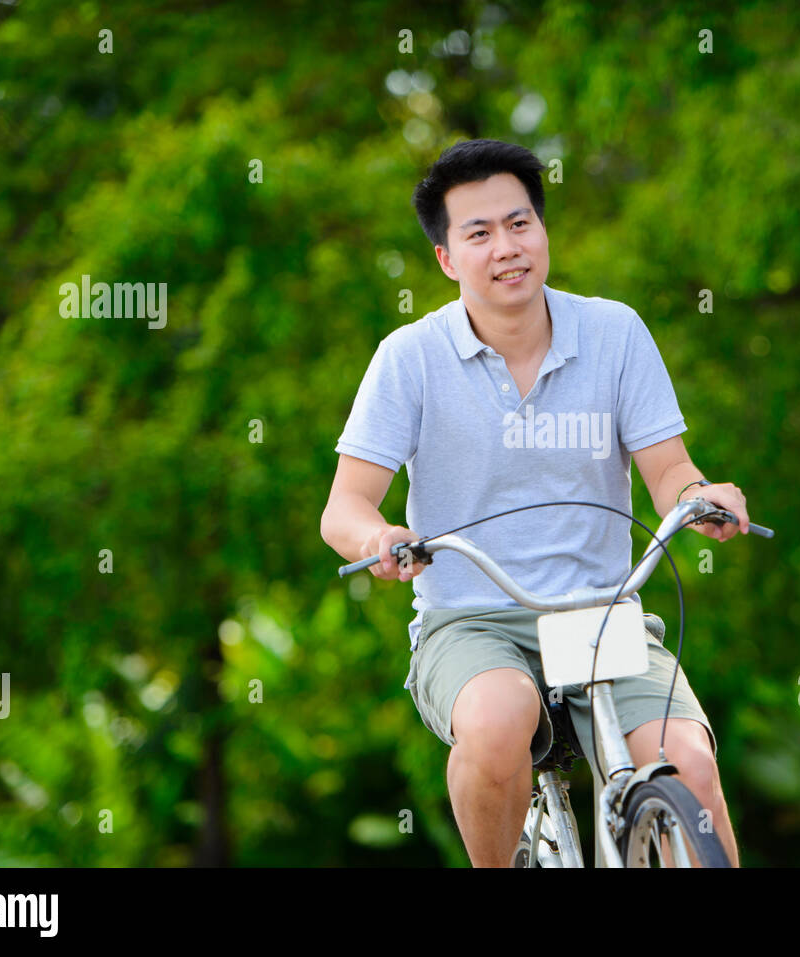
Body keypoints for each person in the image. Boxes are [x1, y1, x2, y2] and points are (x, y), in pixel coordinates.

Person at [320, 138, 750, 867]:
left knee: (693, 767)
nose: (506, 247)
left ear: (543, 231)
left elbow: (670, 469)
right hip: (472, 621)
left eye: (520, 224)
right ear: (448, 258)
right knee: (498, 719)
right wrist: (379, 538)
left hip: (603, 614)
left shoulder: (614, 332)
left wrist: (701, 496)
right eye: (479, 233)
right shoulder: (408, 358)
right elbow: (345, 506)